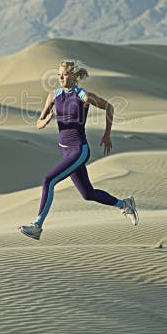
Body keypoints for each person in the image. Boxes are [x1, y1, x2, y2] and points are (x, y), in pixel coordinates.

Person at [19, 59, 138, 240]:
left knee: (48, 181)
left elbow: (109, 107)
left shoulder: (83, 96)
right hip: (64, 151)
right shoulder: (54, 96)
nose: (60, 77)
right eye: (58, 74)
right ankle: (124, 204)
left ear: (74, 76)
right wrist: (44, 121)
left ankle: (37, 226)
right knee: (88, 194)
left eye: (64, 74)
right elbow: (38, 123)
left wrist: (107, 135)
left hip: (79, 151)